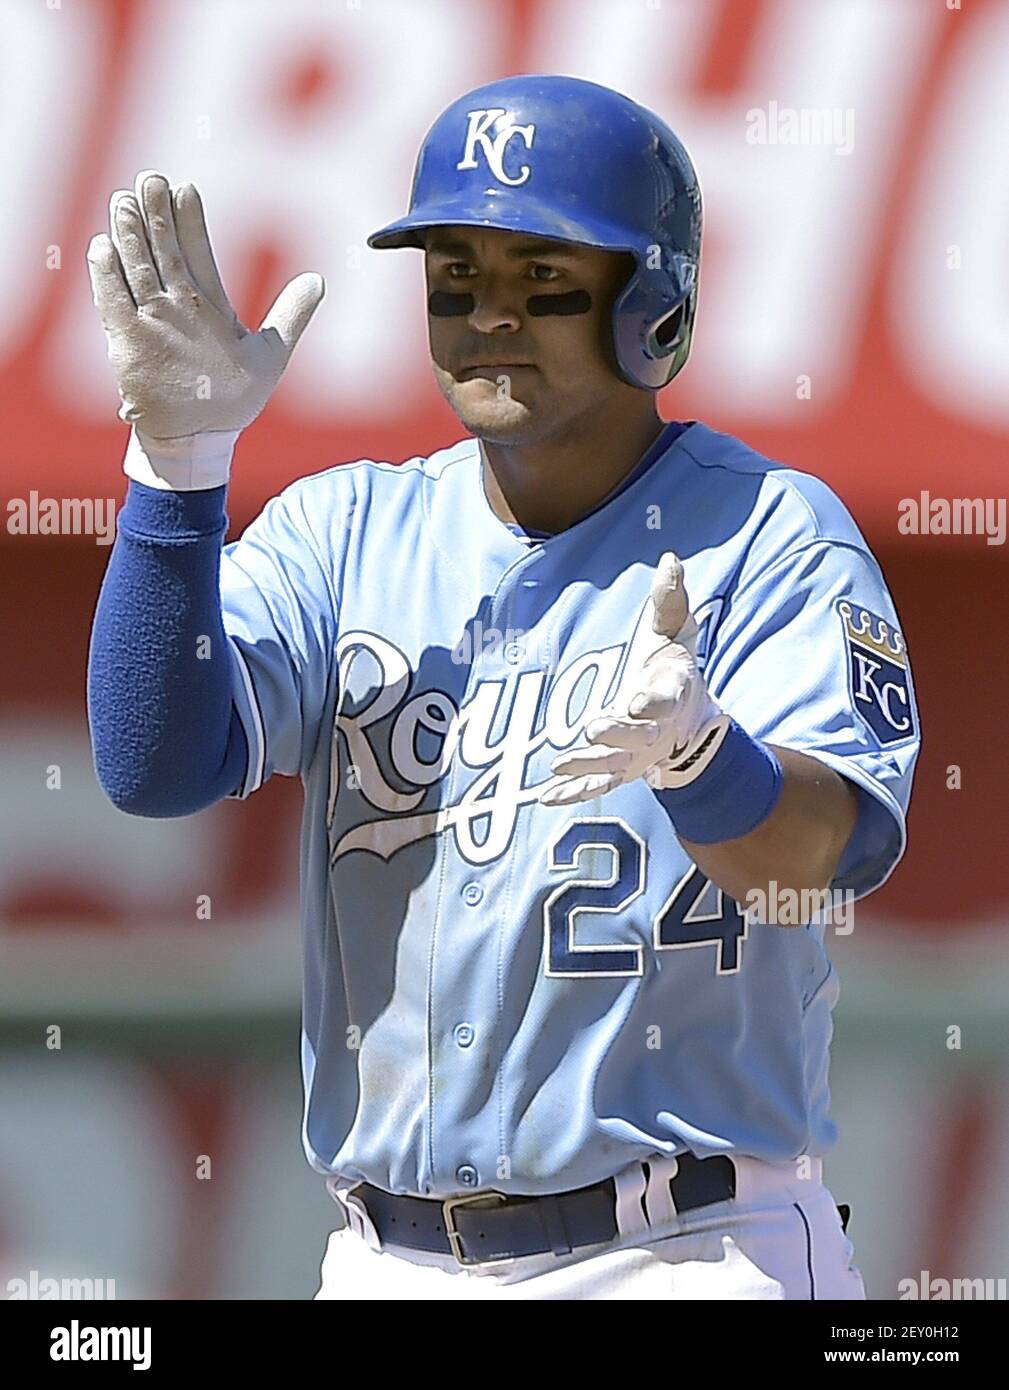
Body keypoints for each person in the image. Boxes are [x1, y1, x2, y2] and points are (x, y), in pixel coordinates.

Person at [86, 74, 919, 1300]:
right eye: (457, 276)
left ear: (653, 307)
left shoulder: (767, 533)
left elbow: (817, 863)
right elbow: (154, 764)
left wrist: (703, 758)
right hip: (387, 1258)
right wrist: (176, 469)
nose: (491, 316)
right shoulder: (346, 531)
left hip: (687, 1248)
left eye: (543, 279)